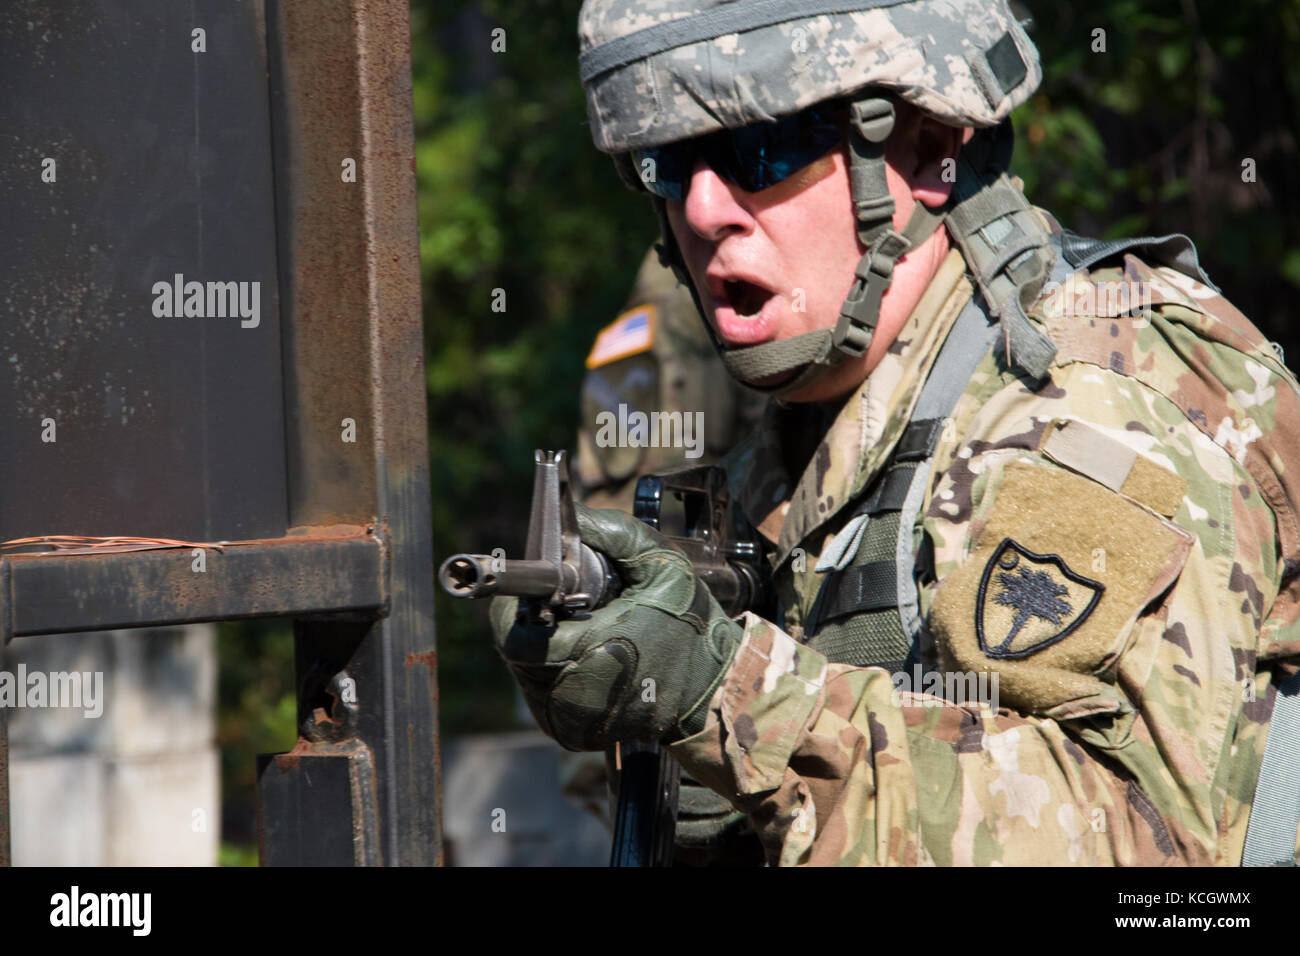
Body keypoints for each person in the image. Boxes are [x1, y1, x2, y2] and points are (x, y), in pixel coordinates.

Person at [493, 0, 1300, 866]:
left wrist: (727, 694)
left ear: (925, 149)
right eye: (667, 164)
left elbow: (1137, 847)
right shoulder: (807, 438)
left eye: (759, 150)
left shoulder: (1092, 400)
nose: (702, 209)